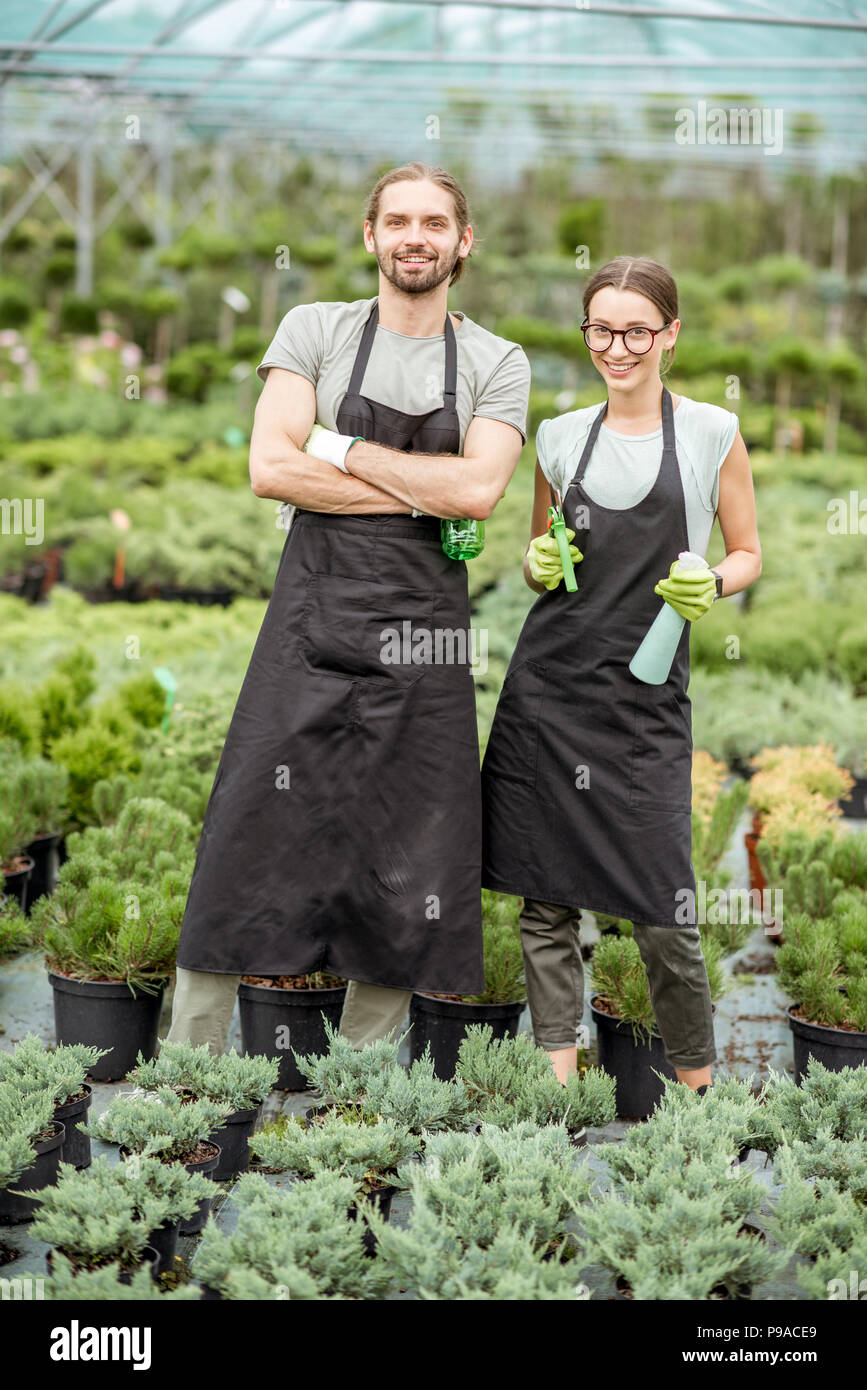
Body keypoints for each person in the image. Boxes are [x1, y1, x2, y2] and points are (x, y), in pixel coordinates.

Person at [166, 162, 531, 1055]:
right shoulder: (316, 329)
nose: (416, 237)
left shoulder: (496, 360)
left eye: (435, 223)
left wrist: (339, 449)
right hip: (311, 621)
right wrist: (423, 490)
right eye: (397, 220)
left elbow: (481, 492)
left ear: (462, 241)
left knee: (413, 836)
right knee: (251, 820)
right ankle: (192, 1066)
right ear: (370, 236)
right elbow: (269, 468)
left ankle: (362, 1081)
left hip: (425, 643)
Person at [480, 256, 762, 1092]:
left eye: (636, 329)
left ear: (670, 333)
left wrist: (711, 580)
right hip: (548, 691)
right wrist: (535, 560)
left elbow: (747, 552)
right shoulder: (560, 436)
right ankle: (556, 1090)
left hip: (643, 704)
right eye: (600, 328)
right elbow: (541, 567)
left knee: (663, 912)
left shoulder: (712, 432)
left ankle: (697, 1099)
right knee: (544, 900)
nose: (617, 346)